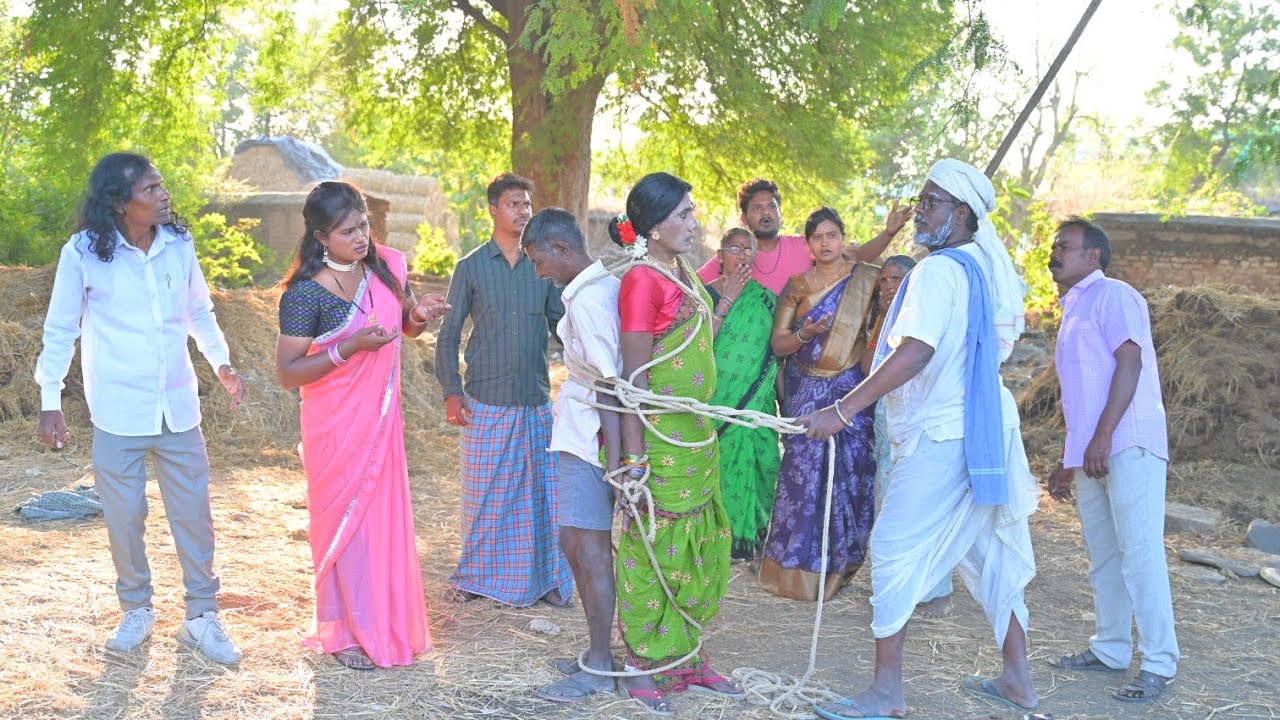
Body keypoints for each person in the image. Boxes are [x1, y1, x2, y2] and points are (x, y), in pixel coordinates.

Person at [800, 158, 1040, 719]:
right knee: (989, 550)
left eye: (930, 202)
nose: (919, 211)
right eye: (922, 199)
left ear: (961, 214)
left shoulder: (937, 272)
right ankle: (1017, 682)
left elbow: (916, 351)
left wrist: (842, 408)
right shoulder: (980, 266)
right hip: (985, 427)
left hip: (946, 432)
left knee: (892, 548)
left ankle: (886, 693)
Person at [34, 153, 245, 664]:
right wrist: (50, 399)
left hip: (178, 406)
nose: (163, 194)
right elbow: (62, 328)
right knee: (125, 517)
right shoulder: (83, 253)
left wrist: (221, 363)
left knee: (194, 515)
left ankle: (201, 616)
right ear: (118, 201)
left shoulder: (179, 244)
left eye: (161, 185)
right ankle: (137, 609)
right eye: (151, 189)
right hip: (117, 410)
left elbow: (199, 310)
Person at [275, 181, 446, 669]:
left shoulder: (386, 267)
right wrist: (347, 348)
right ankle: (345, 632)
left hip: (381, 422)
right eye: (347, 230)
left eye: (364, 225)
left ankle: (384, 622)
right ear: (320, 236)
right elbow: (287, 373)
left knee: (378, 526)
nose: (361, 237)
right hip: (334, 427)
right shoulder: (305, 295)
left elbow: (402, 326)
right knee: (345, 528)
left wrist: (419, 315)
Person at [611, 171, 744, 714]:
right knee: (652, 549)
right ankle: (643, 665)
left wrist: (729, 296)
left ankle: (686, 657)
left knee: (697, 546)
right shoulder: (642, 280)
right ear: (653, 225)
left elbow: (695, 343)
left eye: (693, 212)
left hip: (696, 439)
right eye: (683, 215)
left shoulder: (682, 269)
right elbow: (633, 381)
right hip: (659, 444)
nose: (695, 223)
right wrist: (633, 460)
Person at [1045, 217, 1178, 703]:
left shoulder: (1116, 295)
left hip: (1130, 444)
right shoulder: (1074, 308)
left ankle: (1159, 663)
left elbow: (1130, 361)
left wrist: (1101, 439)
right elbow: (1082, 391)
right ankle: (1112, 648)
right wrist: (1071, 458)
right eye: (1055, 245)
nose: (1054, 253)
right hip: (1096, 452)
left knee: (1140, 553)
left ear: (1093, 256)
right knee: (1104, 557)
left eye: (1065, 246)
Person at [435, 173, 574, 608]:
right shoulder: (471, 267)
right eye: (514, 203)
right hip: (484, 401)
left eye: (527, 203)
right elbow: (449, 334)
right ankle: (475, 577)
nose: (523, 211)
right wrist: (451, 391)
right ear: (493, 209)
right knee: (484, 498)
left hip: (535, 399)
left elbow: (560, 324)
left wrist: (589, 367)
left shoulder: (542, 267)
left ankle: (548, 579)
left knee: (542, 495)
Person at [520, 208, 623, 703]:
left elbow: (611, 383)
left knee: (590, 550)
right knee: (572, 544)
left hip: (591, 438)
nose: (539, 272)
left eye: (540, 261)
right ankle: (596, 649)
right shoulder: (589, 291)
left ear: (562, 250)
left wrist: (622, 456)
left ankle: (601, 663)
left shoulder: (588, 300)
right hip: (580, 431)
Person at [760, 207, 879, 602]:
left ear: (843, 238)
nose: (825, 243)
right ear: (808, 243)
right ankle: (792, 572)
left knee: (848, 478)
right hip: (805, 391)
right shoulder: (797, 285)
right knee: (802, 479)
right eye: (817, 237)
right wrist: (803, 334)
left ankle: (838, 569)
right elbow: (779, 344)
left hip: (849, 394)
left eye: (832, 235)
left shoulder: (865, 279)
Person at [865, 256, 956, 618]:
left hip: (919, 419)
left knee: (923, 505)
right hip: (888, 421)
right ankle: (904, 588)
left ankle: (938, 591)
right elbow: (866, 368)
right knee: (891, 504)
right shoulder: (884, 322)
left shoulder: (923, 317)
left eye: (897, 278)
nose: (889, 285)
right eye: (884, 279)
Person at [696, 178, 911, 295]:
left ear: (780, 212)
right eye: (757, 209)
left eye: (771, 206)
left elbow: (857, 256)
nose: (765, 213)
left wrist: (889, 233)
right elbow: (693, 286)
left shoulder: (804, 245)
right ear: (744, 218)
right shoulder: (734, 256)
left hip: (798, 349)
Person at [704, 228, 776, 561]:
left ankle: (751, 537)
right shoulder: (703, 294)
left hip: (756, 403)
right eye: (735, 248)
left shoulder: (766, 300)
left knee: (761, 461)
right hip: (714, 401)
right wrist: (727, 297)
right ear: (720, 256)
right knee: (718, 466)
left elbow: (773, 355)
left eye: (749, 249)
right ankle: (717, 537)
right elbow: (698, 344)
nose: (743, 255)